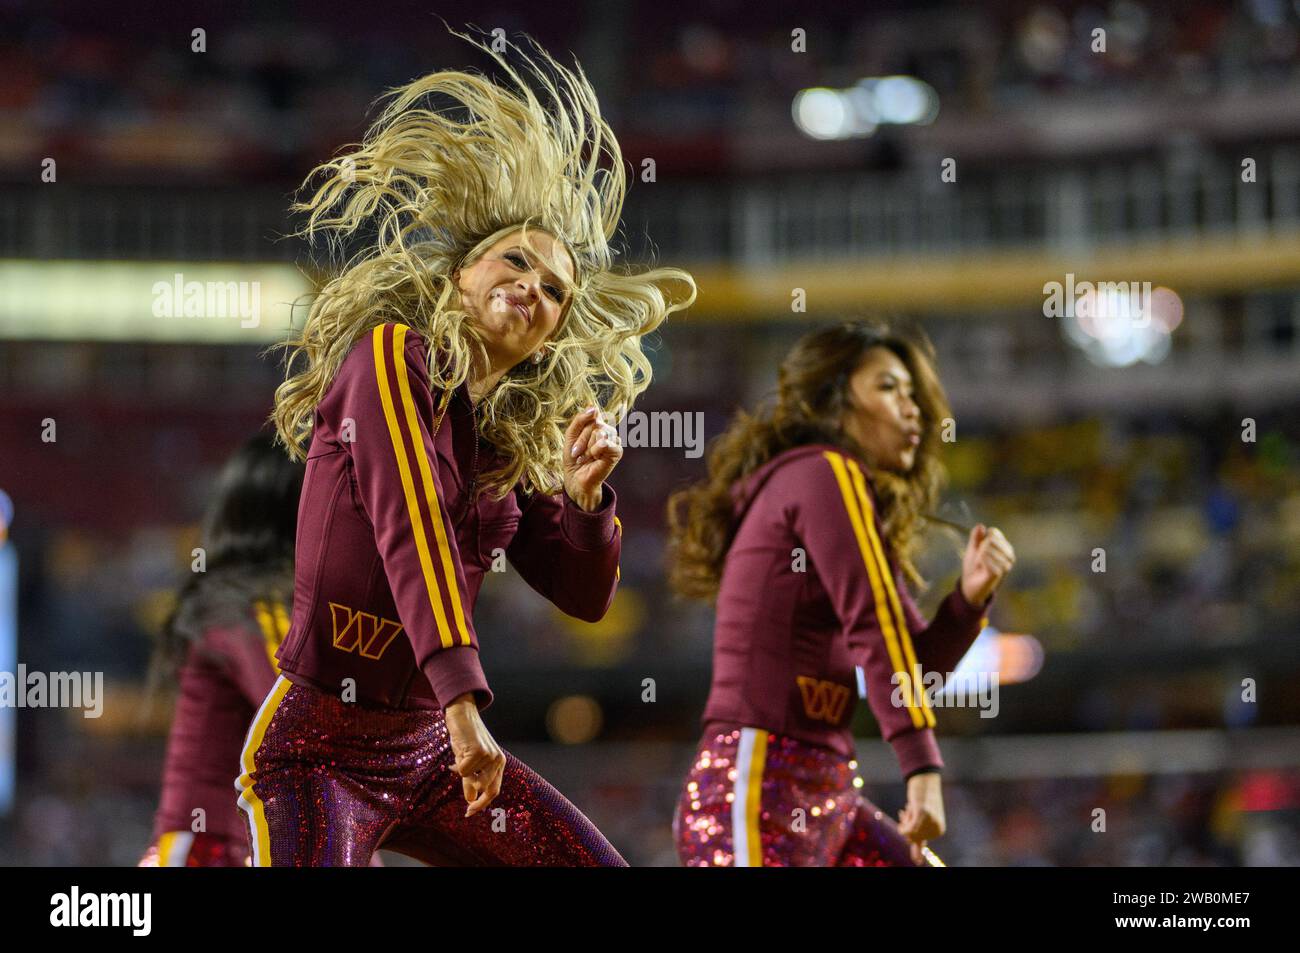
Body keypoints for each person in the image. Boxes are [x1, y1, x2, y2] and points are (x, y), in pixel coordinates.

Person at [237, 26, 695, 866]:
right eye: (516, 262)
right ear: (459, 275)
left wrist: (590, 506)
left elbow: (582, 596)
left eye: (555, 292)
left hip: (434, 748)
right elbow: (410, 528)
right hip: (321, 751)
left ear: (554, 332)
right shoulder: (388, 360)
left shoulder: (512, 434)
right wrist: (461, 703)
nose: (534, 287)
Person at [666, 320, 1015, 866]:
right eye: (888, 387)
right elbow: (874, 626)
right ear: (833, 402)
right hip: (759, 787)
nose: (913, 408)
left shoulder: (828, 489)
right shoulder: (824, 472)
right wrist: (922, 771)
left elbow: (913, 667)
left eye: (913, 393)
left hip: (827, 794)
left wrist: (967, 603)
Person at [140, 431, 302, 866]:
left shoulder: (237, 600)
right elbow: (297, 713)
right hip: (212, 853)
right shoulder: (250, 605)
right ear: (295, 509)